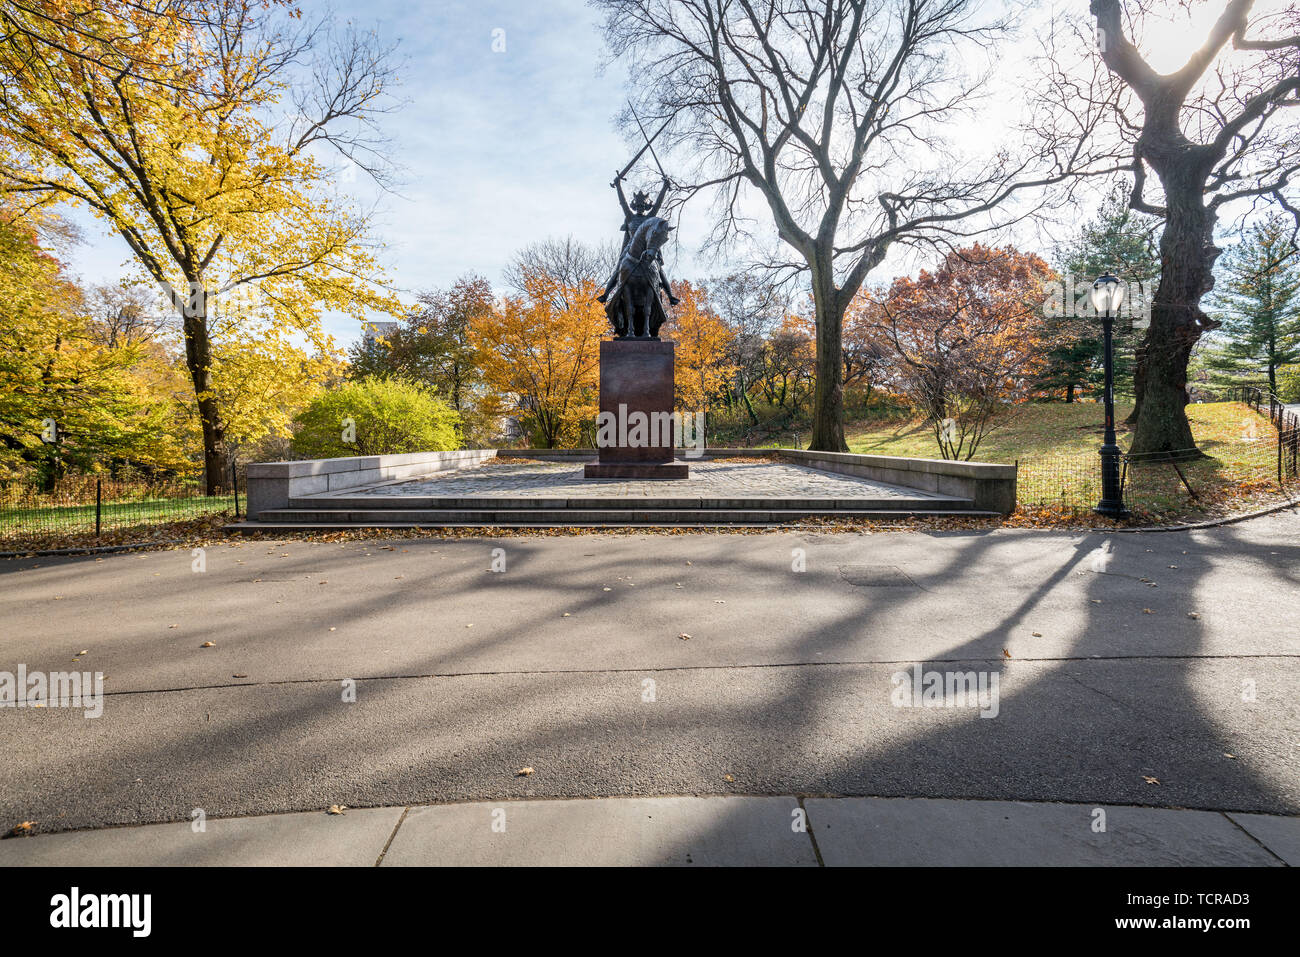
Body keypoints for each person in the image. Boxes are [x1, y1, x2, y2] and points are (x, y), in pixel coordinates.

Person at [597, 172, 680, 306]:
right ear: (635, 206)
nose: (641, 208)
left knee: (658, 269)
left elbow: (658, 204)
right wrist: (618, 185)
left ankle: (670, 296)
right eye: (639, 206)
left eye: (643, 206)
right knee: (619, 267)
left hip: (648, 249)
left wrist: (665, 187)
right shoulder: (630, 217)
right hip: (630, 249)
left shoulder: (650, 217)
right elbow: (622, 203)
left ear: (646, 207)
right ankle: (606, 294)